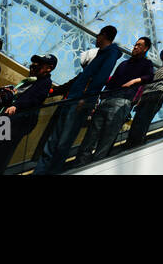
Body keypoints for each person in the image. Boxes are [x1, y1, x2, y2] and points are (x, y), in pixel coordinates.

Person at [33, 25, 122, 175]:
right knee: (55, 141)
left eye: (98, 35)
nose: (96, 37)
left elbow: (100, 78)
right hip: (74, 99)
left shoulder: (110, 53)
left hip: (79, 101)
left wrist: (85, 98)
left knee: (62, 142)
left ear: (104, 35)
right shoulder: (101, 54)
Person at [0, 54, 56, 175]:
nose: (34, 66)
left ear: (49, 68)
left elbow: (34, 100)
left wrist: (16, 106)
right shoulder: (31, 81)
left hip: (14, 122)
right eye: (34, 63)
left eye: (39, 64)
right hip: (8, 120)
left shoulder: (45, 83)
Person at [77, 36, 154, 164]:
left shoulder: (147, 64)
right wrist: (103, 95)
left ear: (146, 48)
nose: (135, 47)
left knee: (108, 137)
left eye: (139, 45)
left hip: (123, 101)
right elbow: (112, 81)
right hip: (107, 99)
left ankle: (95, 166)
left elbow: (150, 77)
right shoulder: (124, 63)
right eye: (135, 44)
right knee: (91, 134)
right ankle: (80, 163)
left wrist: (134, 81)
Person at [127, 44, 163, 147]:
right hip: (146, 95)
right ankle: (130, 143)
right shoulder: (162, 67)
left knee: (143, 120)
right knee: (137, 120)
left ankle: (136, 144)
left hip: (157, 93)